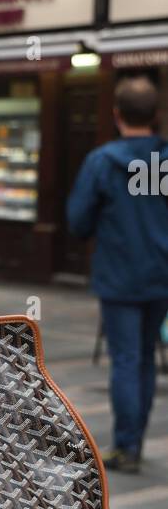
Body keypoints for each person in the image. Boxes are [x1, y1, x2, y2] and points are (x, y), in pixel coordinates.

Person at [67, 74, 168, 472]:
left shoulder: (102, 162)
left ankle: (126, 447)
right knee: (143, 358)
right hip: (161, 274)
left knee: (126, 358)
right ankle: (134, 441)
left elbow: (77, 221)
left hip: (120, 276)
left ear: (116, 114)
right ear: (156, 115)